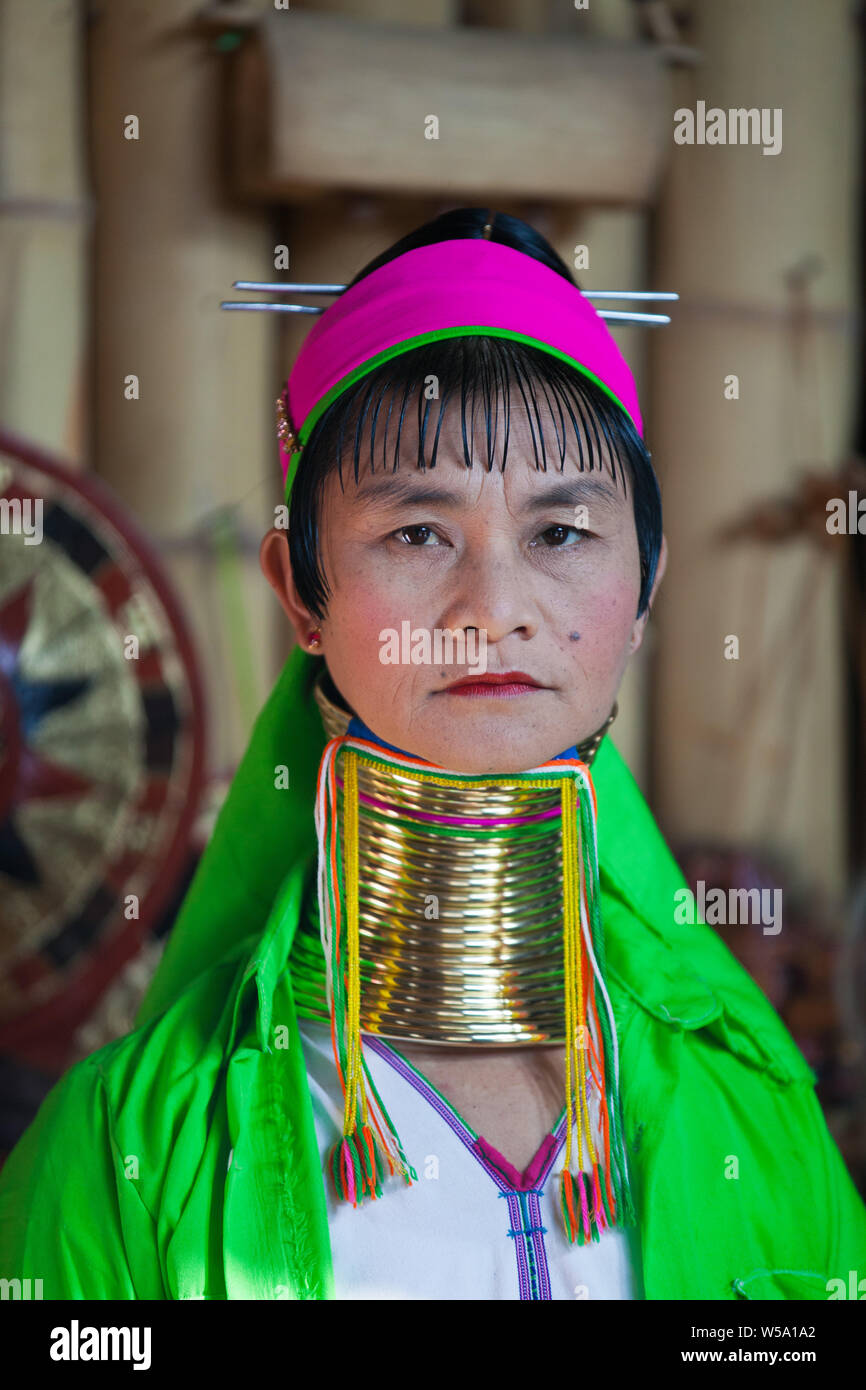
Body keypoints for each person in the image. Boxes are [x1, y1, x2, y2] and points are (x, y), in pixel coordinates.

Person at [1, 208, 864, 1301]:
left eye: (560, 533)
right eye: (416, 532)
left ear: (641, 586)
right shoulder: (130, 1157)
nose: (493, 608)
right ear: (297, 591)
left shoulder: (757, 1127)